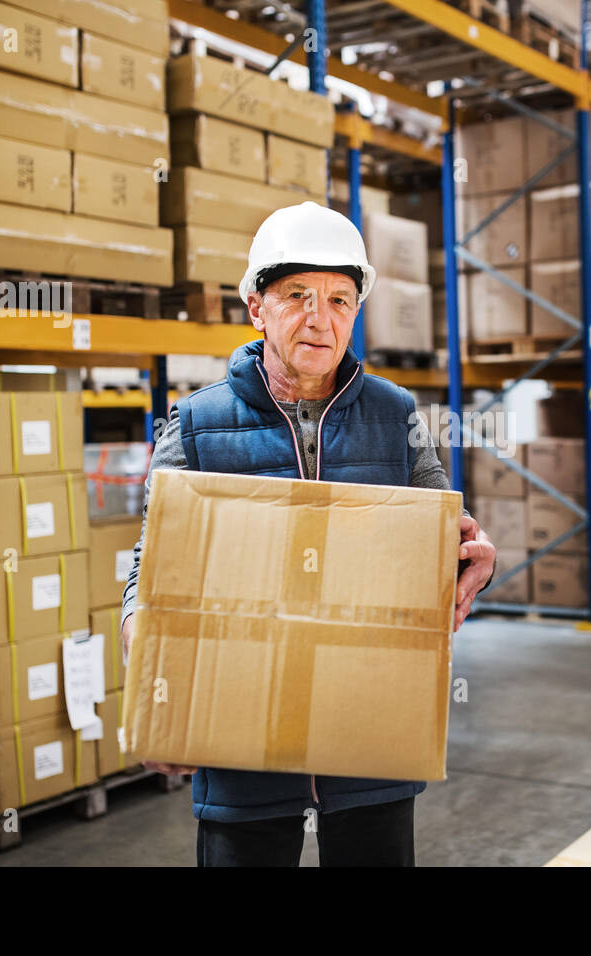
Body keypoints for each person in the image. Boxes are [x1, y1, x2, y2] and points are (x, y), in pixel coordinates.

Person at [118, 201, 497, 867]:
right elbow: (150, 576)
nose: (320, 318)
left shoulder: (395, 414)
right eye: (297, 295)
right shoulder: (198, 424)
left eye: (339, 299)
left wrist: (473, 555)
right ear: (256, 307)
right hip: (240, 741)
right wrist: (156, 682)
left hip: (369, 744)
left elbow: (441, 526)